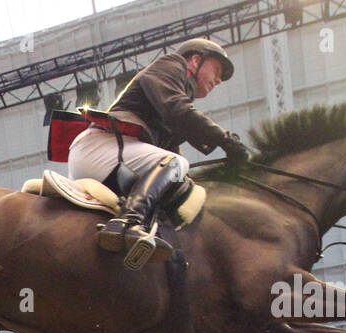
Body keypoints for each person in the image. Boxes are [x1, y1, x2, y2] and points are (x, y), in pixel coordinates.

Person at [66, 38, 248, 269]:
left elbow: (171, 143)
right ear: (195, 59)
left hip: (110, 156)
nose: (219, 80)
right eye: (218, 70)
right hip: (103, 148)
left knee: (178, 177)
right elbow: (178, 110)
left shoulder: (171, 98)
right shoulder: (172, 65)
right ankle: (130, 221)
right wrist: (225, 139)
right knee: (176, 163)